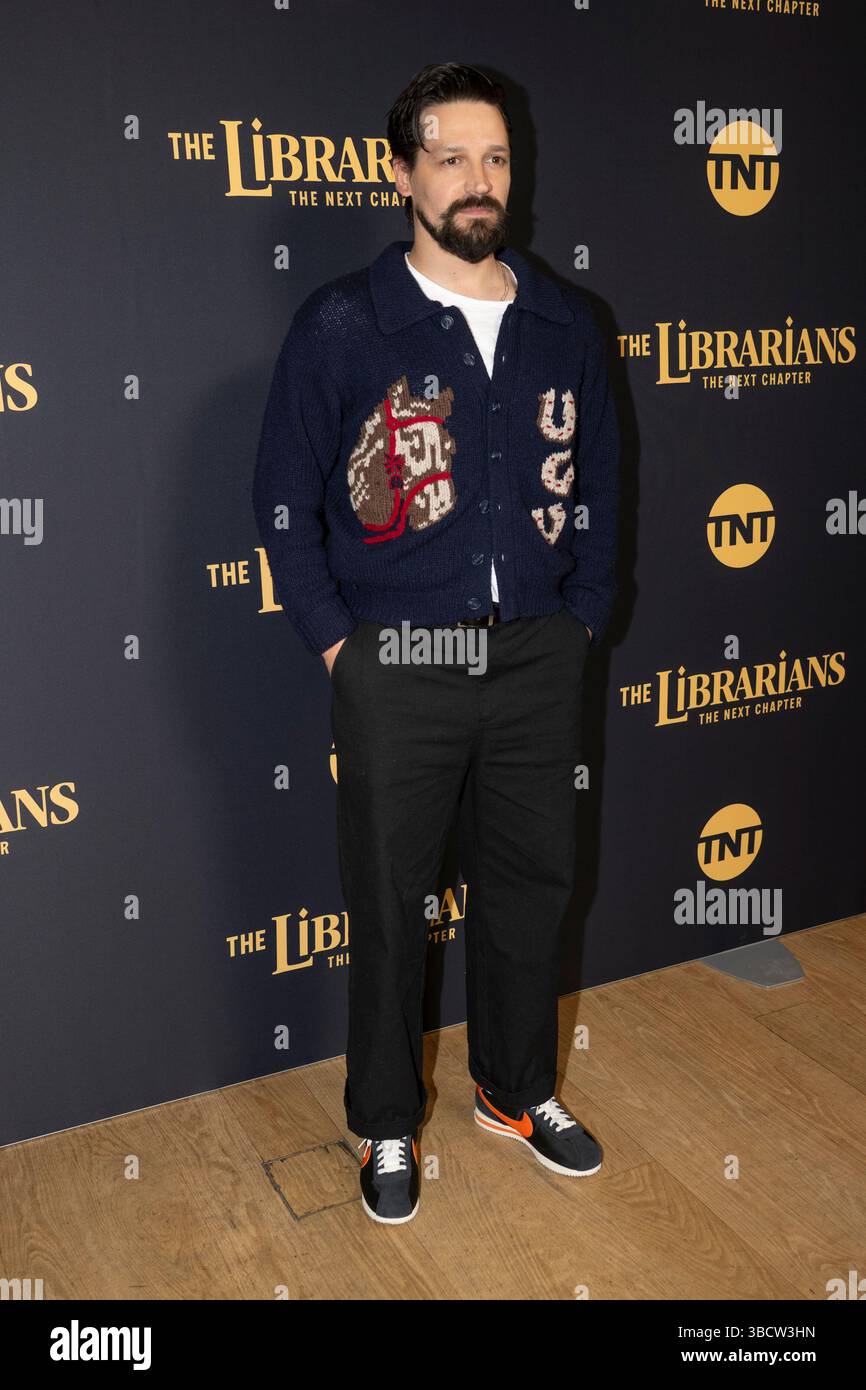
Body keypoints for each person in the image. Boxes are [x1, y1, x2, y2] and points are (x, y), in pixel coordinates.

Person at [252, 62, 620, 1224]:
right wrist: (336, 650)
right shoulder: (347, 322)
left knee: (529, 890)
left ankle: (514, 1093)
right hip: (393, 666)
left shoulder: (566, 320)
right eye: (452, 157)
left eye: (496, 158)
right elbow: (278, 501)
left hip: (534, 661)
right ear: (401, 173)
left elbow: (604, 487)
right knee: (388, 898)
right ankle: (379, 1123)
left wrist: (580, 621)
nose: (478, 181)